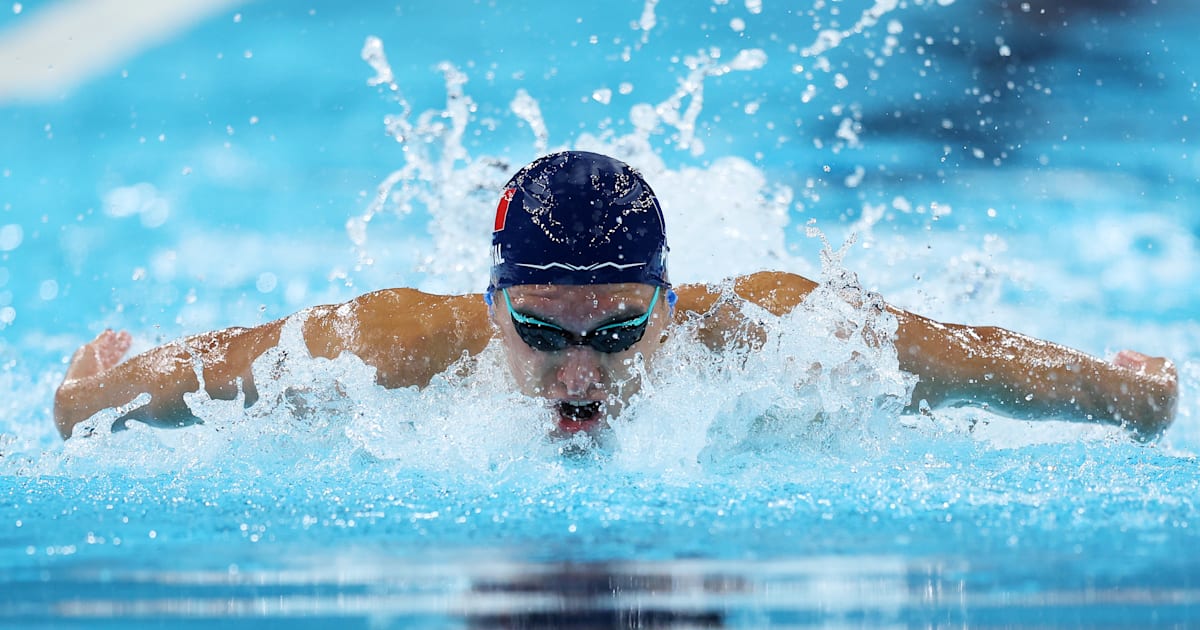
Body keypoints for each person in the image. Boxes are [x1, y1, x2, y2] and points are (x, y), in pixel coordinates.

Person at [53, 151, 1178, 441]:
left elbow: (966, 358)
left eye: (620, 332)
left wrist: (1119, 394)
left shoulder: (777, 334)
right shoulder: (390, 344)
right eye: (539, 333)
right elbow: (217, 369)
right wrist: (97, 394)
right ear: (489, 309)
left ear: (669, 307)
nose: (579, 372)